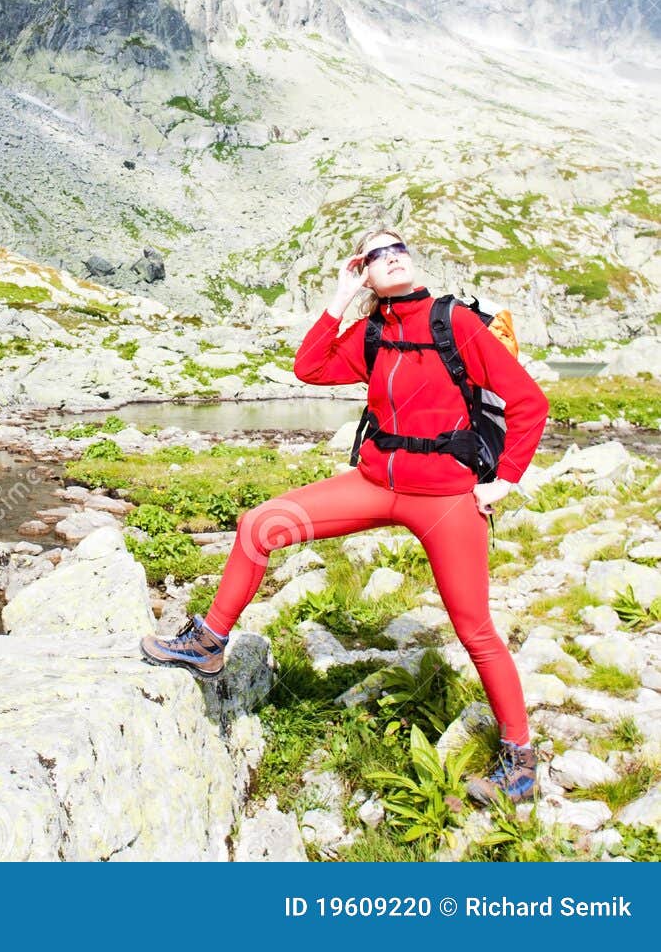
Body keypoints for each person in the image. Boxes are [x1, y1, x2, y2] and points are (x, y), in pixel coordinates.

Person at [140, 224, 550, 806]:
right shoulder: (371, 331)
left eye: (398, 249)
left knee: (475, 629)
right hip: (372, 483)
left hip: (445, 499)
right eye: (376, 256)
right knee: (259, 525)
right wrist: (339, 296)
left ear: (415, 261)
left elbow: (530, 401)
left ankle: (520, 763)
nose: (390, 259)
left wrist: (504, 480)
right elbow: (308, 367)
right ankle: (208, 643)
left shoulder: (455, 323)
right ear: (367, 273)